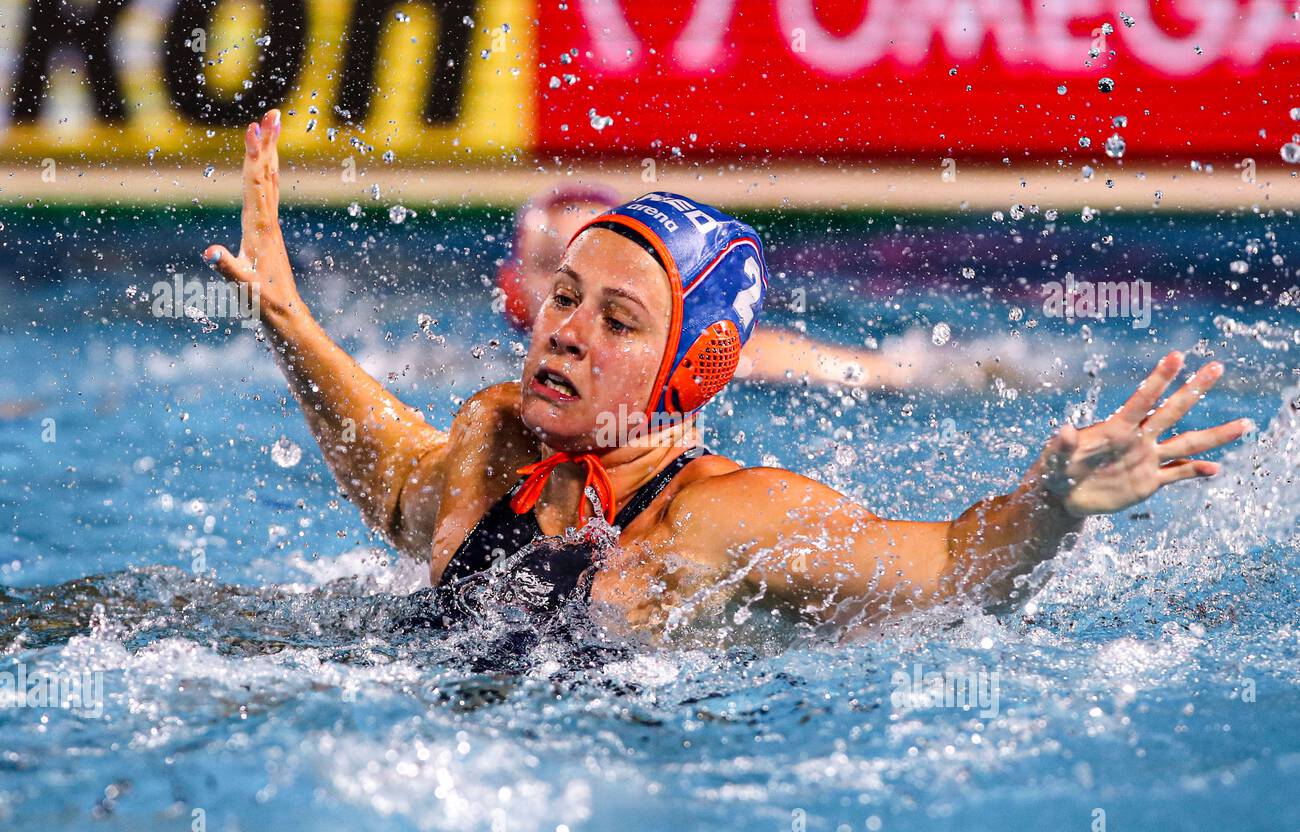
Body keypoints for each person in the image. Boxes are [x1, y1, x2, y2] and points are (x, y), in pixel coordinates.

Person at [204, 110, 1249, 640]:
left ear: (692, 366)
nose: (562, 332)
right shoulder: (493, 435)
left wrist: (1053, 502)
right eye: (563, 296)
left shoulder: (730, 518)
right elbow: (397, 477)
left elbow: (948, 569)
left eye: (616, 319)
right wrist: (291, 323)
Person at [497, 185, 1017, 392]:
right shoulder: (463, 368)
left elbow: (904, 374)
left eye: (617, 281)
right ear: (510, 284)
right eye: (559, 274)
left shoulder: (722, 359)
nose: (576, 313)